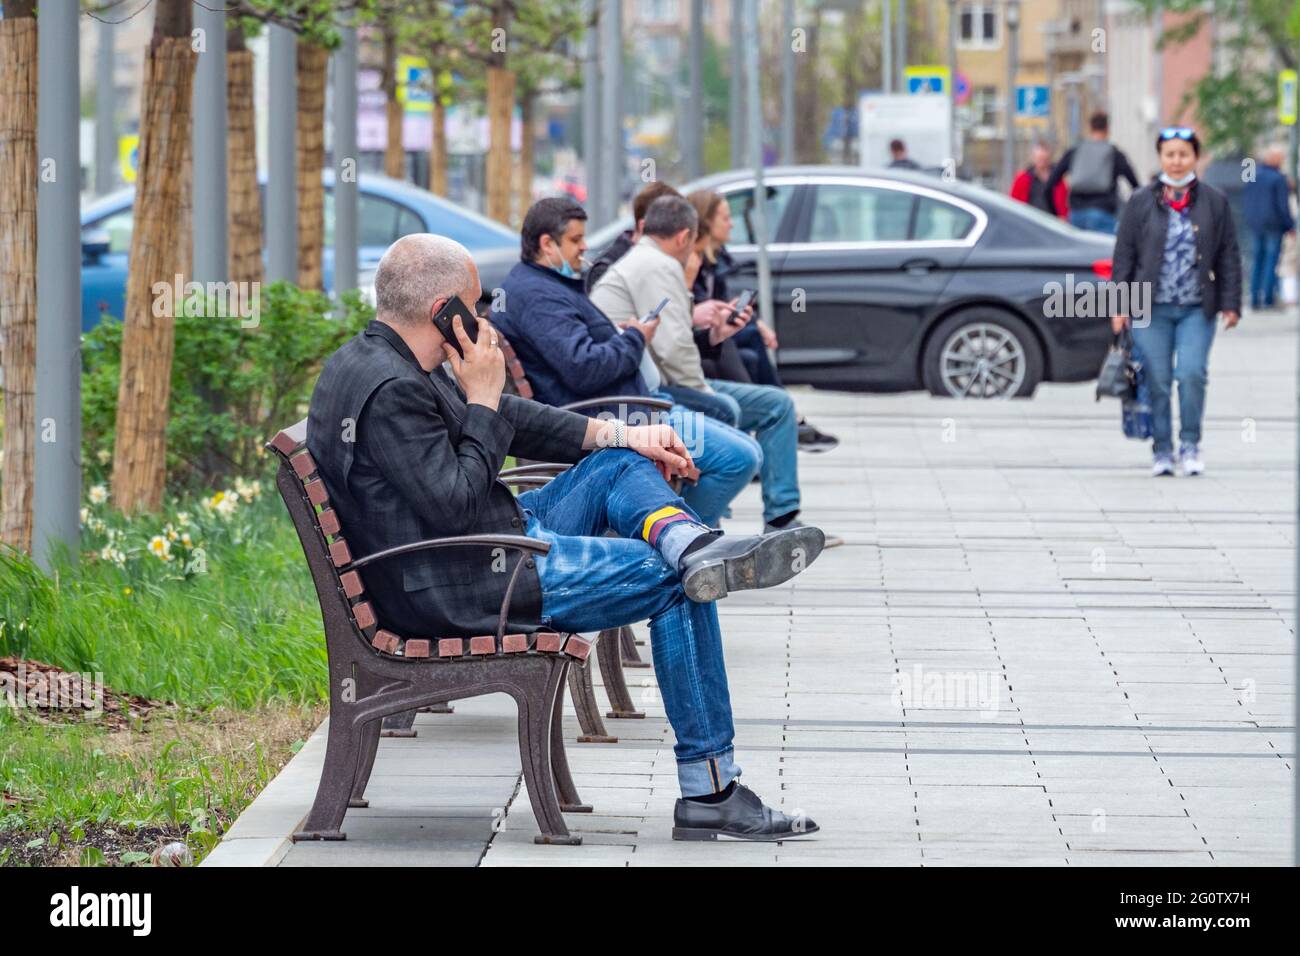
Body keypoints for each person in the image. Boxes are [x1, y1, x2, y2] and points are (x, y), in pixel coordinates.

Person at [306, 233, 826, 840]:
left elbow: (514, 420)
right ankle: (710, 789)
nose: (483, 319)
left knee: (616, 466)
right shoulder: (392, 389)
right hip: (465, 581)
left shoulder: (388, 359)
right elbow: (452, 504)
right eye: (476, 306)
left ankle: (687, 540)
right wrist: (479, 400)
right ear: (443, 310)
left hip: (483, 545)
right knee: (680, 586)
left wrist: (622, 435)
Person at [492, 196, 762, 529]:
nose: (584, 247)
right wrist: (636, 337)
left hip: (633, 410)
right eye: (576, 240)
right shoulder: (538, 296)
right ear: (547, 244)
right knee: (739, 458)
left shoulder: (545, 285)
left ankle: (676, 537)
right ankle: (682, 547)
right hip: (615, 418)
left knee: (747, 446)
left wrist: (627, 335)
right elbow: (584, 368)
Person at [592, 196, 830, 538]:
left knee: (775, 404)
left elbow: (673, 342)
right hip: (639, 395)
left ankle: (767, 515)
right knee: (726, 408)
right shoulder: (659, 264)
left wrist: (714, 335)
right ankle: (691, 530)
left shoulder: (641, 259)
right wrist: (705, 394)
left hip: (641, 385)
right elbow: (675, 350)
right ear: (684, 236)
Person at [1110, 127, 1241, 477]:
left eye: (1184, 154)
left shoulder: (1215, 201)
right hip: (1150, 308)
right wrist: (1119, 306)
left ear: (1195, 157)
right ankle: (1163, 450)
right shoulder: (1141, 200)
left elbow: (1228, 254)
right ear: (1160, 158)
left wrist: (1232, 303)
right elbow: (1124, 256)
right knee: (1157, 379)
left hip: (1198, 308)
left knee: (1192, 374)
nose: (1177, 161)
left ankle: (1191, 444)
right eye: (1170, 154)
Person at [688, 188, 840, 453]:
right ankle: (777, 414)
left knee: (752, 340)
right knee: (741, 351)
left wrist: (753, 320)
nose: (732, 222)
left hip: (710, 341)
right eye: (725, 217)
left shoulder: (716, 261)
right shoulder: (692, 262)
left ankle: (778, 417)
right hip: (698, 346)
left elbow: (722, 305)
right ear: (706, 222)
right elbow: (694, 313)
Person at [1046, 112, 1140, 234]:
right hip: (1103, 213)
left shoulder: (1075, 151)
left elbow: (1049, 186)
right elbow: (1136, 187)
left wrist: (1055, 214)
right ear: (1107, 129)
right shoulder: (1114, 153)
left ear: (1090, 128)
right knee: (1104, 252)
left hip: (1076, 215)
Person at [584, 180, 680, 291]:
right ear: (643, 227)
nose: (676, 240)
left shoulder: (661, 262)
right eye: (670, 231)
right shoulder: (606, 270)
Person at [1243, 144, 1295, 311]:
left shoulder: (1252, 174)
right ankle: (1267, 298)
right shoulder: (1279, 178)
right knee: (1271, 261)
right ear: (1275, 158)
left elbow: (1247, 198)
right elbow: (1283, 205)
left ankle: (1254, 298)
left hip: (1256, 223)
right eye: (1281, 157)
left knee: (1257, 260)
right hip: (1274, 225)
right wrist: (1290, 225)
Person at [1010, 143, 1069, 219]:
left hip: (1052, 221)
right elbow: (1013, 203)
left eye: (1044, 159)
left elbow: (1063, 205)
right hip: (1029, 219)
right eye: (1039, 159)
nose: (1042, 162)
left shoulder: (1057, 181)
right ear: (1033, 158)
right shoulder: (1022, 179)